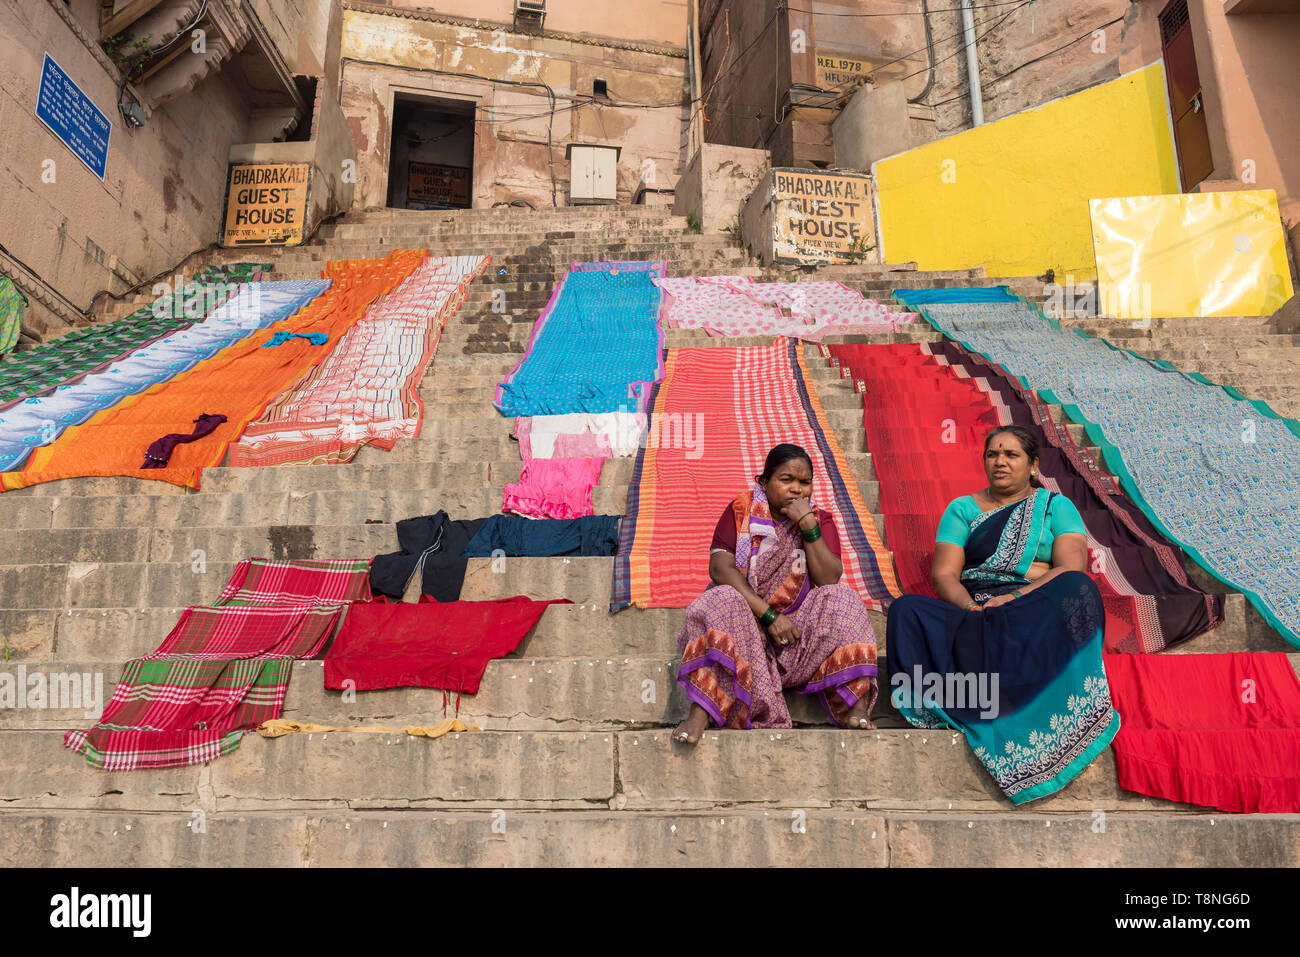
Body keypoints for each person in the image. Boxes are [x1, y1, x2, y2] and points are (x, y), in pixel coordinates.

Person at [886, 425, 1119, 804]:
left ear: (1032, 465)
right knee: (905, 610)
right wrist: (972, 608)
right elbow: (945, 574)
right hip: (975, 611)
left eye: (1011, 454)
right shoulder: (962, 509)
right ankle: (945, 699)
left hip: (1031, 606)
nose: (1000, 462)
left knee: (1079, 587)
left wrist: (1013, 597)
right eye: (993, 454)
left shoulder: (1056, 507)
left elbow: (1071, 566)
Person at [672, 443, 879, 744]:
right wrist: (769, 616)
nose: (797, 490)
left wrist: (808, 526)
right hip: (744, 630)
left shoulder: (819, 521)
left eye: (804, 482)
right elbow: (720, 569)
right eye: (786, 480)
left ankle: (857, 707)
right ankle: (700, 711)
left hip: (794, 641)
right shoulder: (740, 512)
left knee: (843, 599)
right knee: (720, 598)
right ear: (764, 482)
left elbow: (828, 578)